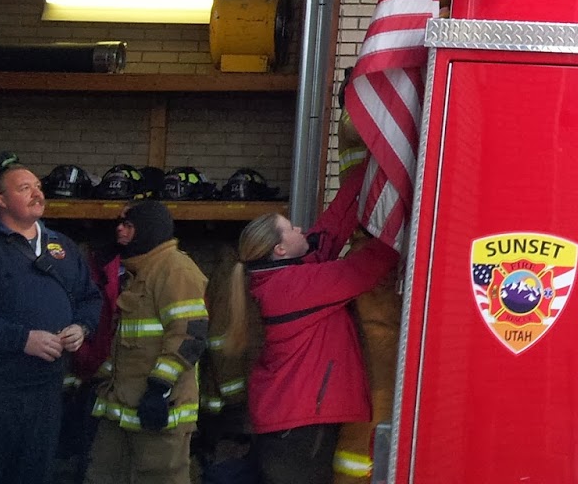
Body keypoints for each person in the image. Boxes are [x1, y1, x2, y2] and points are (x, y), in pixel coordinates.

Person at [222, 162, 398, 484]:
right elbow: (365, 268)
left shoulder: (277, 276)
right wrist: (407, 225)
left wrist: (371, 166)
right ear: (280, 248)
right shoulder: (290, 289)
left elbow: (327, 232)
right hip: (300, 432)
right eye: (291, 229)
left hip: (291, 422)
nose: (301, 229)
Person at [0, 160, 101, 484]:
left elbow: (90, 299)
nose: (37, 193)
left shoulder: (64, 248)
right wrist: (22, 340)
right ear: (0, 200)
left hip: (47, 389)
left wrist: (81, 328)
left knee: (36, 472)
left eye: (38, 187)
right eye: (24, 188)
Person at [87, 199, 208, 484]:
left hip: (160, 408)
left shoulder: (175, 269)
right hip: (122, 407)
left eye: (128, 225)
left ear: (148, 230)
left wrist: (159, 388)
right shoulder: (140, 270)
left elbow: (190, 334)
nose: (119, 230)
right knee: (101, 476)